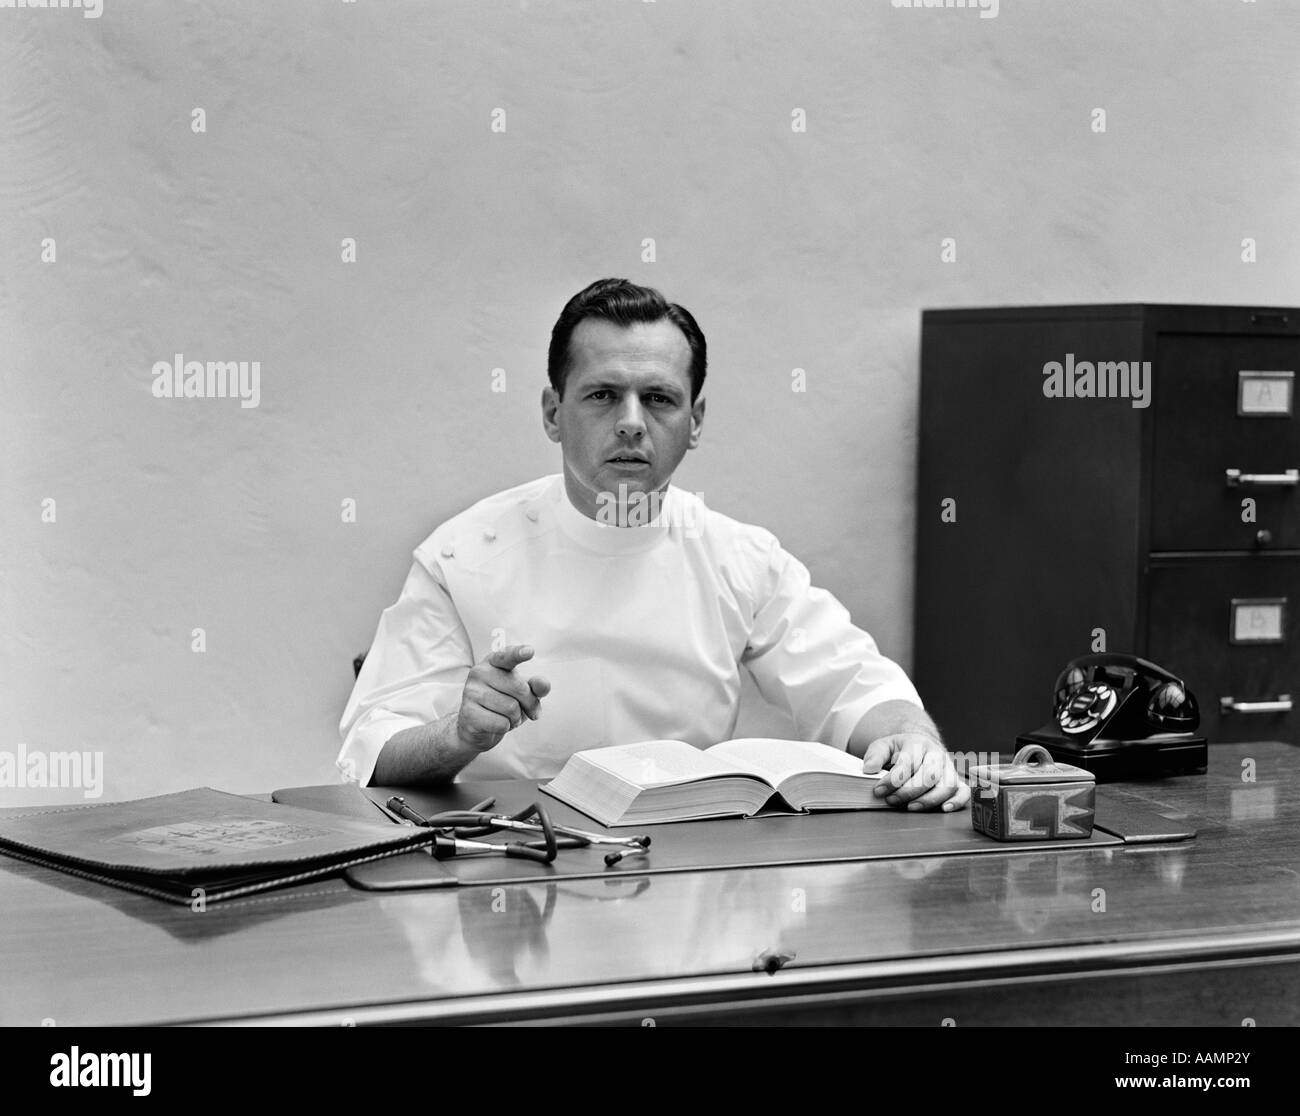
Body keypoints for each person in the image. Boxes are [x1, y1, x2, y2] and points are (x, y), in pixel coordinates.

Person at [338, 278, 970, 812]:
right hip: (512, 864)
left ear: (695, 421)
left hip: (686, 862)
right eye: (603, 395)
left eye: (659, 399)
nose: (632, 422)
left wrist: (912, 739)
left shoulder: (738, 557)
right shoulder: (463, 557)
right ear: (553, 412)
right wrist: (459, 734)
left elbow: (852, 684)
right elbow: (372, 749)